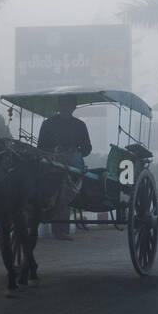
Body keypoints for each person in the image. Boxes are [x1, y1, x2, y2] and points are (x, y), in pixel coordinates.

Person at [36, 95, 93, 239]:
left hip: (73, 166)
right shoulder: (48, 124)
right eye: (62, 104)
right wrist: (54, 151)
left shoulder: (80, 125)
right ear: (58, 107)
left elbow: (87, 149)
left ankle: (61, 229)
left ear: (73, 108)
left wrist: (74, 151)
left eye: (68, 105)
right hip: (51, 163)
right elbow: (40, 147)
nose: (65, 108)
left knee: (64, 188)